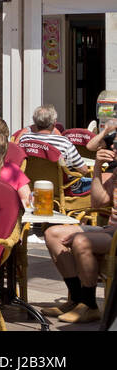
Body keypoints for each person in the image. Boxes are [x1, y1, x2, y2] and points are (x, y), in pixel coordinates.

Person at [40, 136, 116, 324]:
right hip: (111, 230)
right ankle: (76, 299)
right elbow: (97, 202)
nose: (112, 146)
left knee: (81, 240)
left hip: (114, 235)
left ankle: (90, 305)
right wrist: (98, 166)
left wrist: (92, 233)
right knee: (53, 233)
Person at [19, 106, 91, 193]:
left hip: (34, 186)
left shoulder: (25, 139)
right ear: (54, 123)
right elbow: (84, 170)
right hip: (64, 188)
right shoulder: (63, 142)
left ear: (34, 122)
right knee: (100, 182)